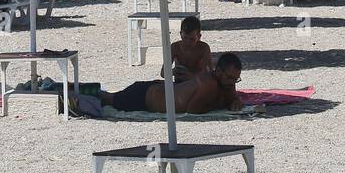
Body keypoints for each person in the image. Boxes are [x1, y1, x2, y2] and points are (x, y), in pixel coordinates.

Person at [101, 53, 243, 114]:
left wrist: (235, 101)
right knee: (108, 99)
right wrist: (222, 103)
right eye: (230, 78)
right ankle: (82, 92)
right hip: (145, 97)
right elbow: (194, 110)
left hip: (156, 90)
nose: (232, 83)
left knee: (109, 98)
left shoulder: (226, 82)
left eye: (235, 79)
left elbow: (231, 97)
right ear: (218, 71)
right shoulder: (208, 83)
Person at [169, 15, 211, 81]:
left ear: (199, 36)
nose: (188, 42)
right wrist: (172, 71)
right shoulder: (175, 47)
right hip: (179, 84)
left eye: (192, 39)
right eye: (185, 38)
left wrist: (192, 75)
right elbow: (163, 73)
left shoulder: (203, 48)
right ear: (180, 34)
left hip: (198, 84)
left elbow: (209, 73)